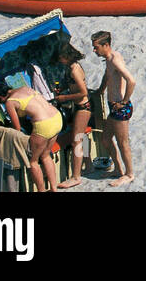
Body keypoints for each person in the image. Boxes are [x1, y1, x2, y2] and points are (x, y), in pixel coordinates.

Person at [0, 80, 62, 192]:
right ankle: (54, 188)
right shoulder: (25, 88)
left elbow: (17, 129)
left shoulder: (10, 102)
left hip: (44, 125)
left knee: (33, 161)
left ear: (0, 96)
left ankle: (41, 190)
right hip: (56, 117)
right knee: (45, 156)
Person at [91, 31, 136, 187]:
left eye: (96, 47)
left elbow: (132, 81)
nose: (94, 51)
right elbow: (107, 75)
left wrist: (124, 102)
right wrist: (100, 90)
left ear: (106, 45)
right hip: (114, 107)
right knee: (105, 138)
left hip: (120, 108)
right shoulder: (109, 59)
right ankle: (118, 169)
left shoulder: (115, 60)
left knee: (123, 143)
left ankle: (129, 174)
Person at [52, 44, 92, 189]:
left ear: (67, 56)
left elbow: (83, 92)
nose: (60, 60)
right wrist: (62, 89)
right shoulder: (72, 67)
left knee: (76, 141)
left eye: (61, 58)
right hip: (81, 106)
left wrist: (64, 98)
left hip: (83, 107)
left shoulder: (74, 70)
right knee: (83, 136)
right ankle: (88, 164)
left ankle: (76, 177)